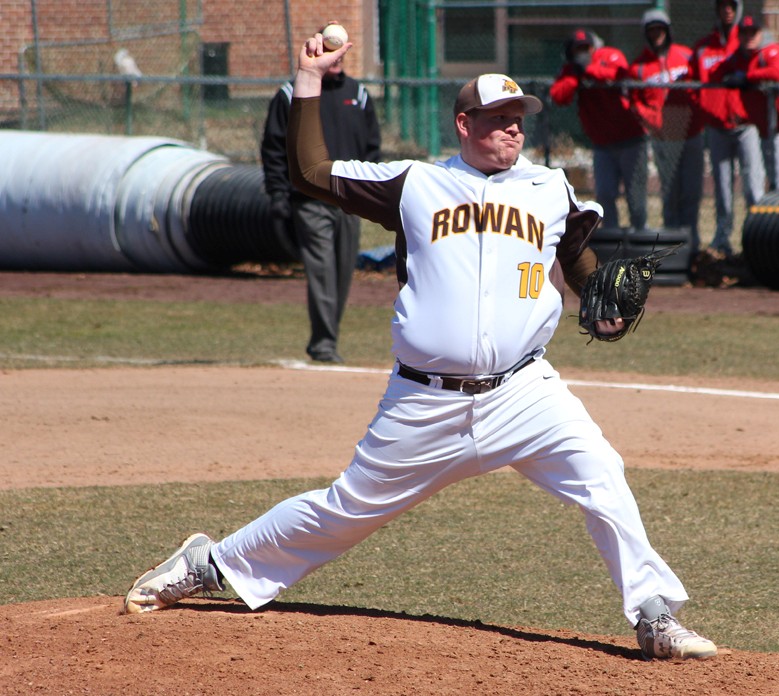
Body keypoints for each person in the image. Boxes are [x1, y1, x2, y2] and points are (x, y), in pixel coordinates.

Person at [124, 32, 718, 663]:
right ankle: (211, 563)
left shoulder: (551, 189)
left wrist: (604, 306)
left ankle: (654, 615)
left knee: (601, 474)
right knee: (346, 511)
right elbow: (309, 173)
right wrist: (310, 80)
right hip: (425, 401)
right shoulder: (415, 183)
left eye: (519, 117)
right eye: (499, 117)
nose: (514, 128)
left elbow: (577, 262)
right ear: (464, 124)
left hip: (524, 394)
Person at [260, 24, 381, 364]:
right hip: (310, 201)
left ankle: (326, 340)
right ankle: (324, 344)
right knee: (322, 271)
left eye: (339, 50)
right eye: (329, 49)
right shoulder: (291, 93)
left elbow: (372, 147)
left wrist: (369, 192)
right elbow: (273, 148)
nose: (336, 57)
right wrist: (279, 196)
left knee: (343, 273)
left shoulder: (359, 94)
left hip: (350, 200)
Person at [550, 28, 649, 232]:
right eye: (578, 49)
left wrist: (588, 70)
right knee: (604, 193)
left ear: (593, 47)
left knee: (636, 196)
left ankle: (640, 236)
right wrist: (574, 77)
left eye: (586, 48)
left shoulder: (609, 55)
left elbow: (618, 73)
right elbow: (559, 96)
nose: (583, 53)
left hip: (631, 140)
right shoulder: (572, 70)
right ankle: (613, 238)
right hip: (602, 144)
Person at [691, 0, 766, 259]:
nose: (728, 10)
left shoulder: (746, 40)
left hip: (746, 126)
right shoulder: (704, 47)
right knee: (722, 188)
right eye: (723, 5)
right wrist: (707, 109)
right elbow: (692, 83)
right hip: (717, 127)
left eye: (732, 5)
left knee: (753, 186)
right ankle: (723, 238)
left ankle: (758, 238)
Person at [630, 9, 705, 250]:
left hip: (691, 133)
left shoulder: (685, 56)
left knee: (692, 191)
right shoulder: (639, 67)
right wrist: (655, 123)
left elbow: (699, 87)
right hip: (664, 138)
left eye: (660, 29)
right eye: (652, 30)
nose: (657, 34)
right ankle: (673, 245)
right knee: (671, 192)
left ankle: (692, 243)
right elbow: (636, 102)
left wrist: (696, 117)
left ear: (668, 30)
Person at [719, 16, 779, 193]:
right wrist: (728, 77)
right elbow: (721, 71)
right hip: (767, 130)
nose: (749, 37)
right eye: (744, 33)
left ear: (761, 33)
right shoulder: (739, 58)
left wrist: (747, 77)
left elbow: (778, 72)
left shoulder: (771, 50)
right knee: (776, 184)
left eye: (753, 32)